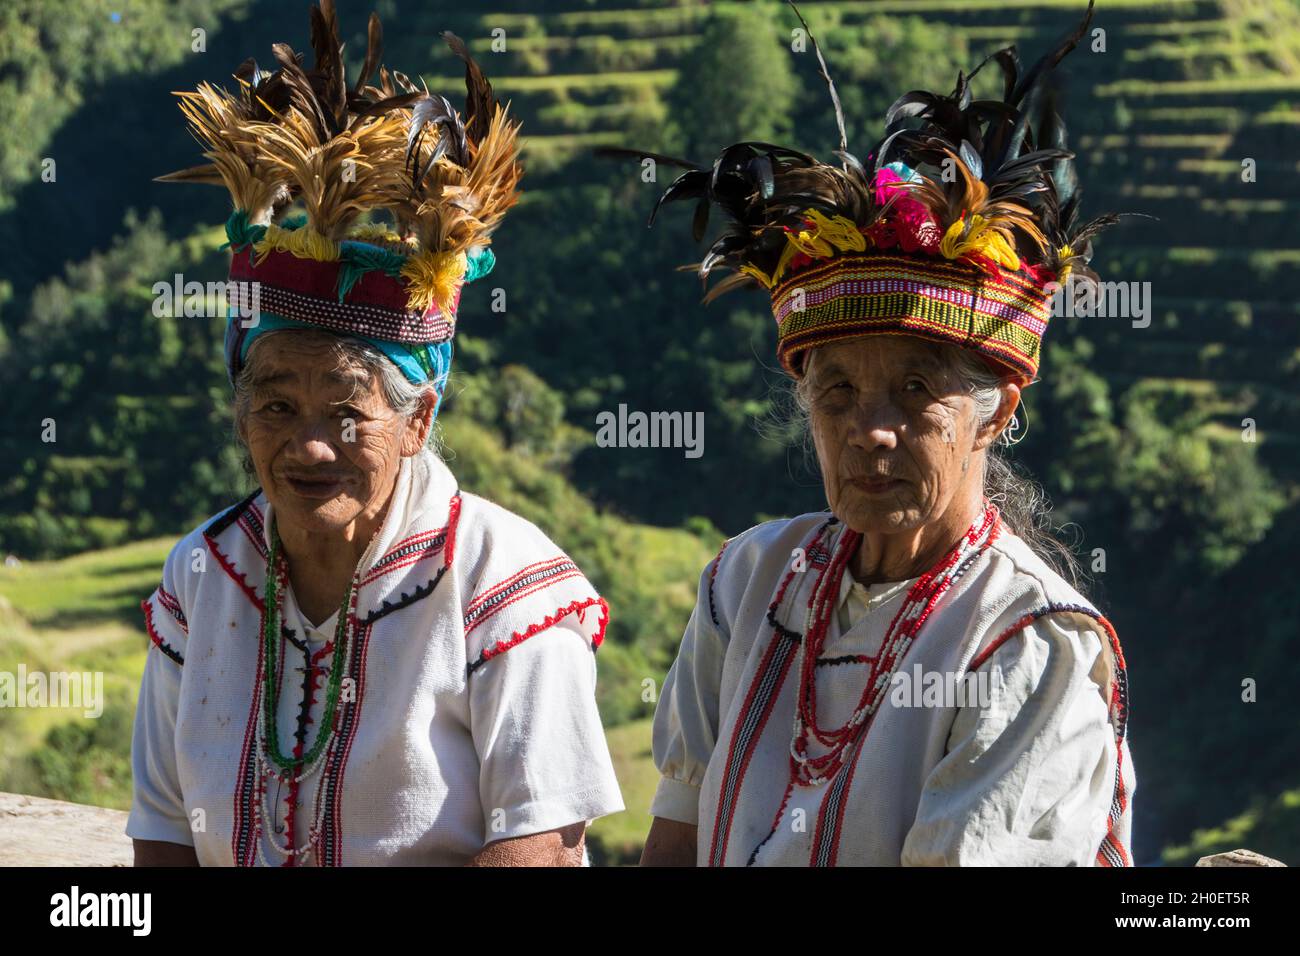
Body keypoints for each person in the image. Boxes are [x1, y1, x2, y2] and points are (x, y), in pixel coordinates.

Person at [620, 0, 1135, 866]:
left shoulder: (1027, 644)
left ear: (996, 412)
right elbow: (673, 842)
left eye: (915, 391)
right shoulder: (746, 584)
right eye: (838, 394)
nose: (872, 433)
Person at [127, 2, 623, 866]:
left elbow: (537, 847)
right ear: (239, 415)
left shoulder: (503, 588)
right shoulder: (201, 578)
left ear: (418, 420)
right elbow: (164, 835)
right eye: (276, 406)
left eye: (348, 412)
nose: (308, 446)